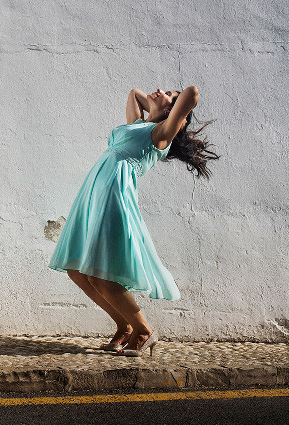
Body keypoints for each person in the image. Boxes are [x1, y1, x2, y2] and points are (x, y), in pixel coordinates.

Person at [49, 86, 218, 357]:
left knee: (99, 273)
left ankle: (144, 330)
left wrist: (175, 109)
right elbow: (133, 93)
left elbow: (193, 94)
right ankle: (123, 326)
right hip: (93, 194)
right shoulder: (139, 126)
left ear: (172, 111)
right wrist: (156, 106)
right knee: (77, 271)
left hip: (114, 198)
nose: (159, 89)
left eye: (168, 92)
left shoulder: (161, 135)